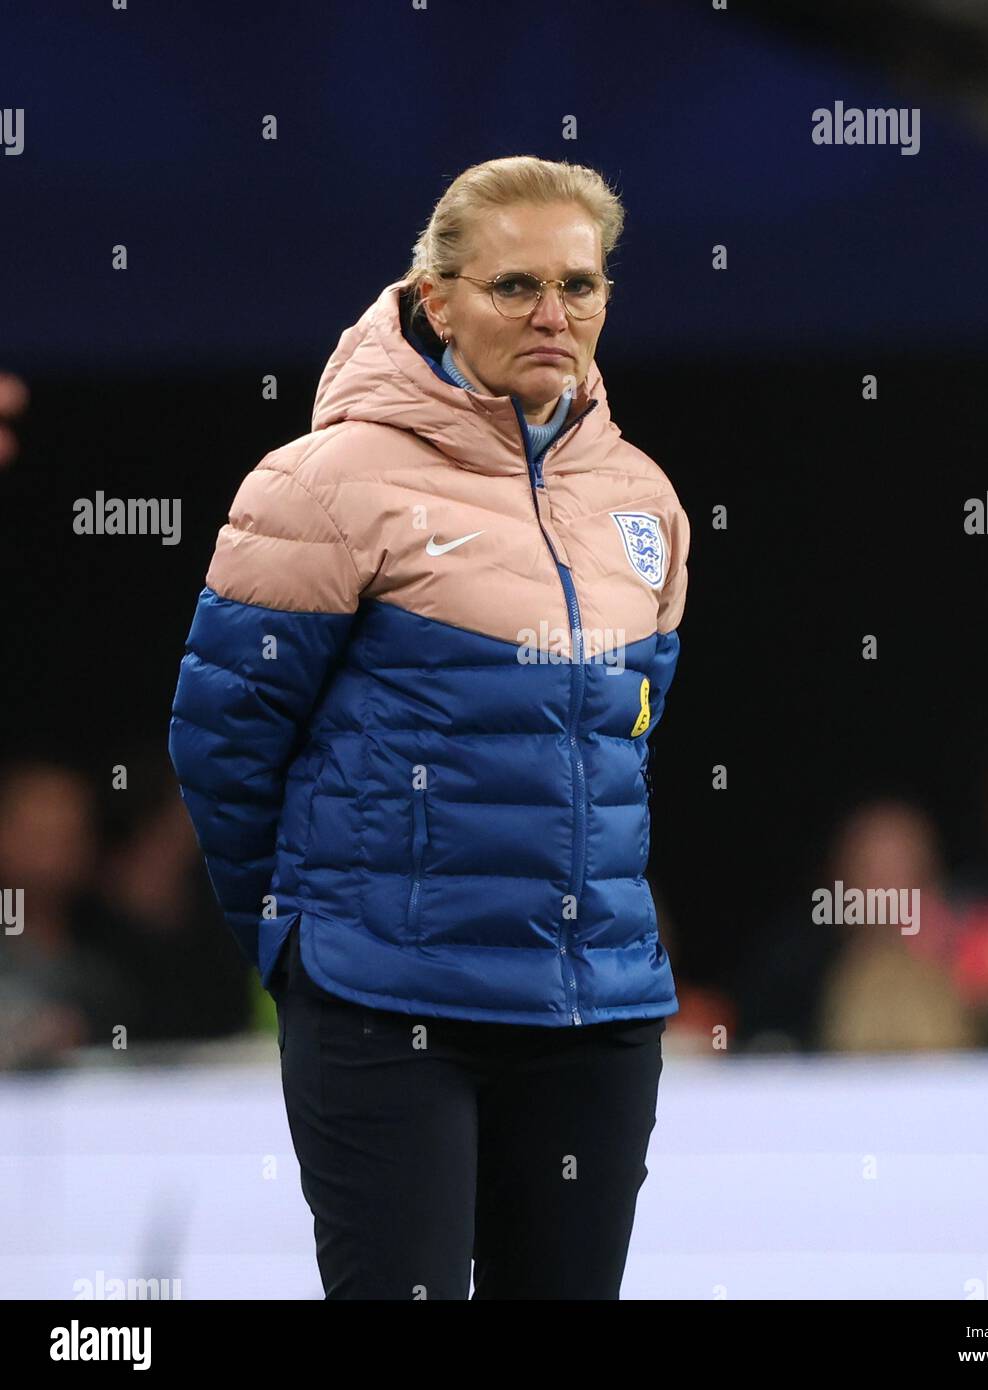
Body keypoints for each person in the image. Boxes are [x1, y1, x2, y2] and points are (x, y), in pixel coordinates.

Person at [168, 155, 691, 1299]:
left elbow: (623, 746)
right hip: (387, 1005)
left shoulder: (643, 499)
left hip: (594, 1011)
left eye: (580, 285)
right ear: (437, 297)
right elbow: (222, 742)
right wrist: (301, 943)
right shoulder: (323, 484)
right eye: (515, 286)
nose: (555, 314)